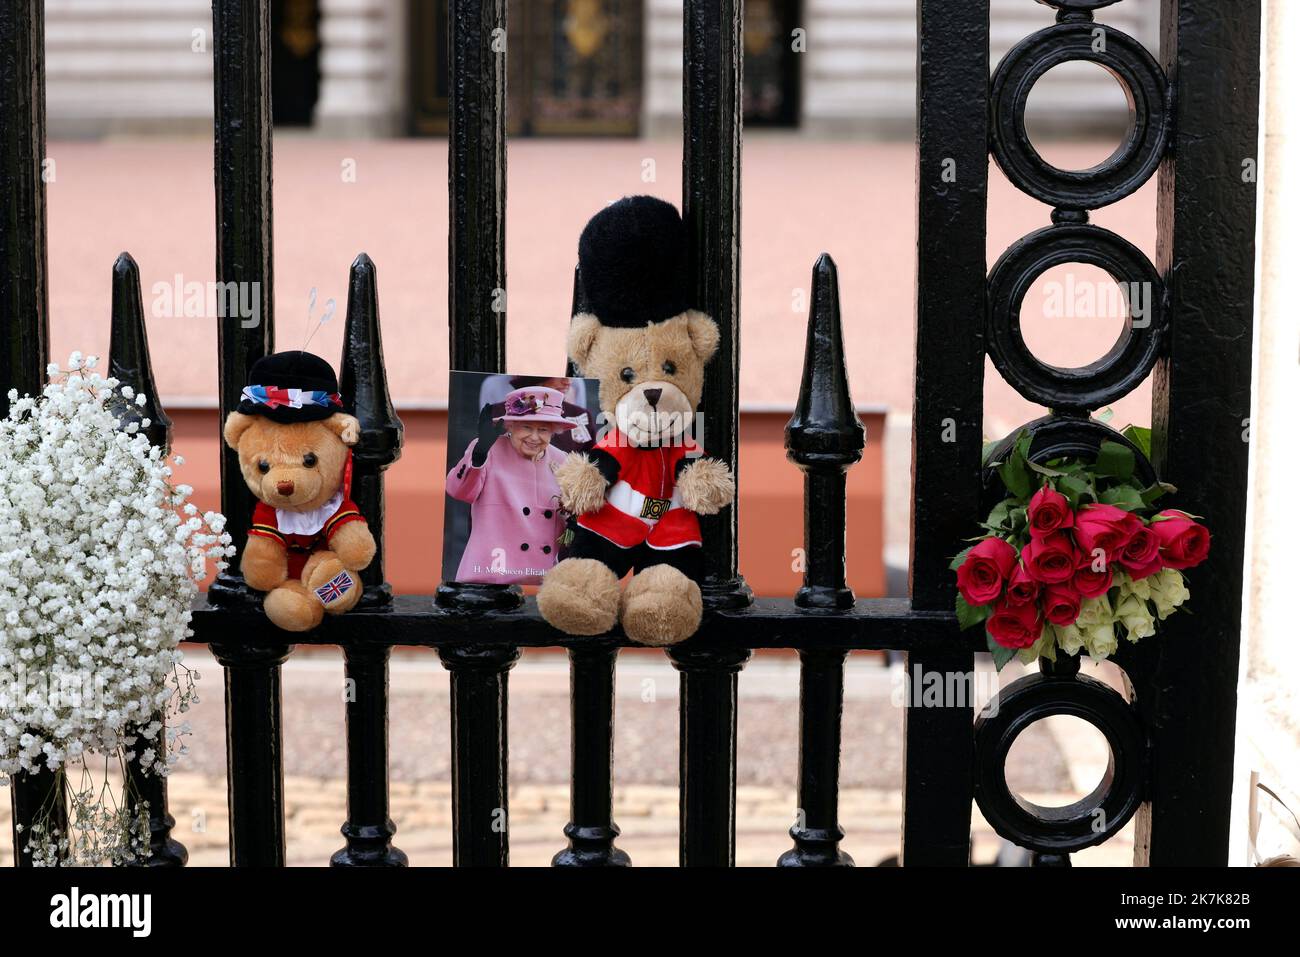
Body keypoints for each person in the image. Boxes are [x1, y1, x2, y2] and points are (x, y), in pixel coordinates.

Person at [445, 385, 575, 584]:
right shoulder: (488, 449)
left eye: (543, 429)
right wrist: (479, 455)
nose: (534, 437)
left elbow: (570, 521)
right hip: (488, 575)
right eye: (527, 427)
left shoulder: (563, 460)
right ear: (511, 426)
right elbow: (458, 491)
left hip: (540, 578)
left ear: (553, 432)